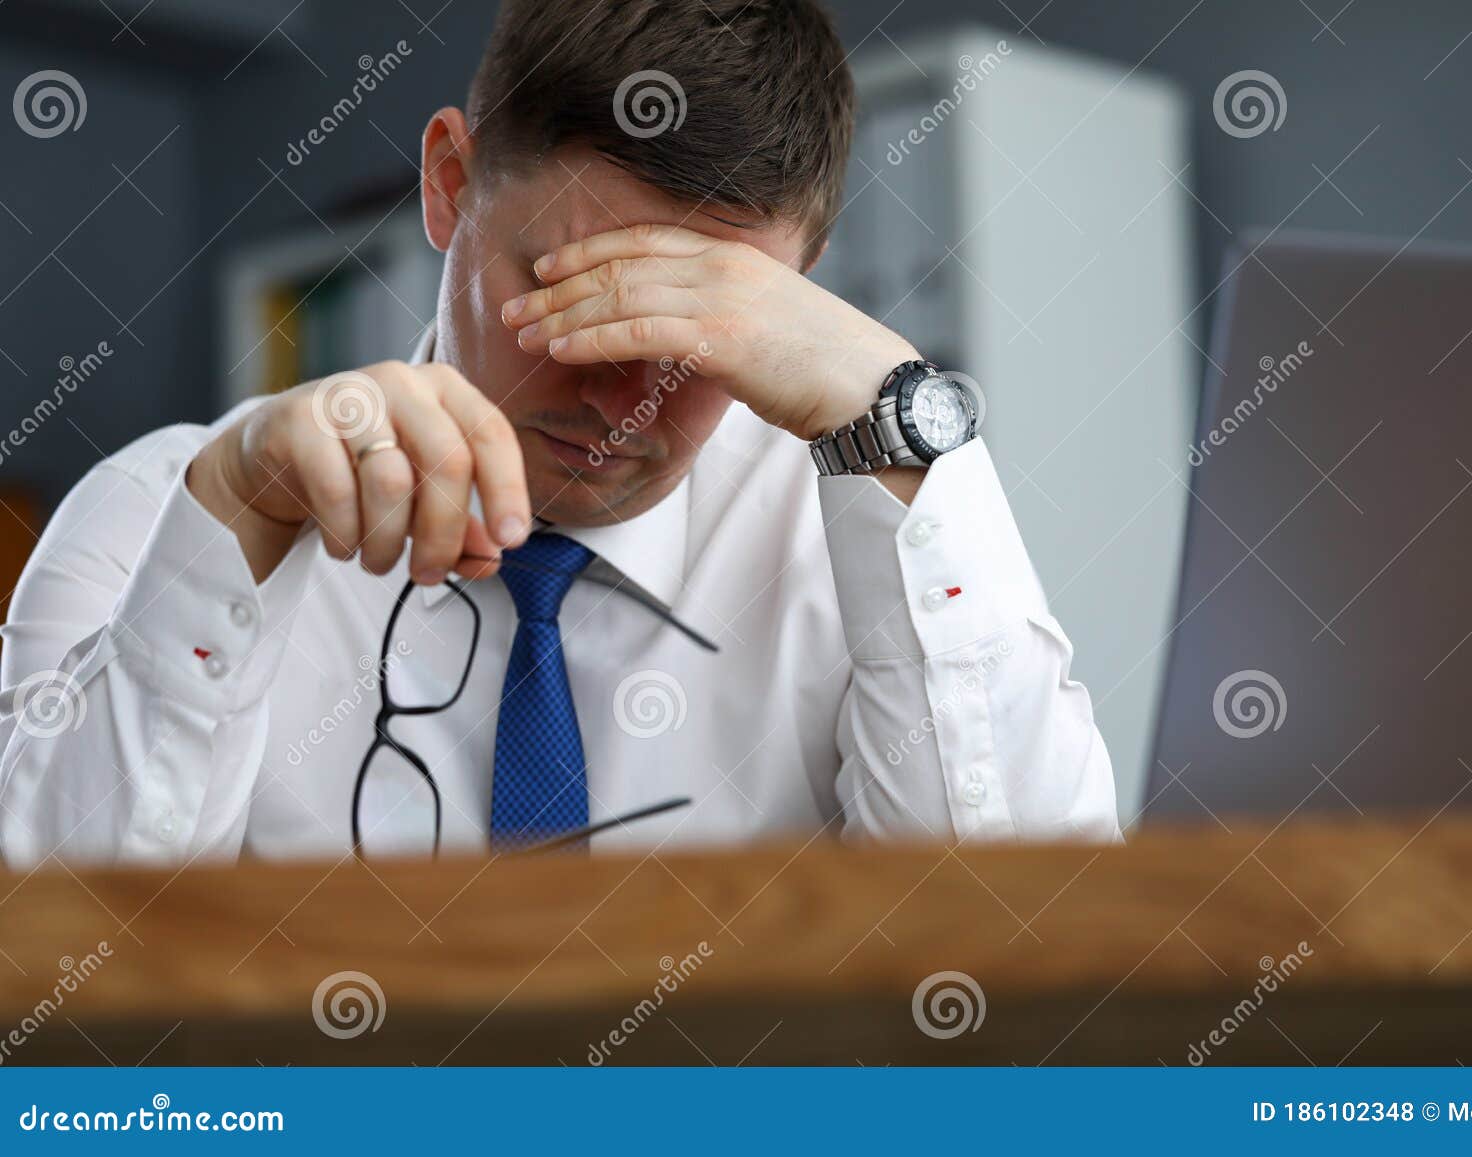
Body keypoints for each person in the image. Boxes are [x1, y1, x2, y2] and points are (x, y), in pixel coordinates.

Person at [0, 0, 1117, 866]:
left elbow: (1031, 984)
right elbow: (47, 995)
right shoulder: (161, 513)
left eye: (700, 324)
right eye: (562, 289)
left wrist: (890, 406)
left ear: (797, 303)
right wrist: (236, 522)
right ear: (449, 184)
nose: (615, 389)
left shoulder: (885, 540)